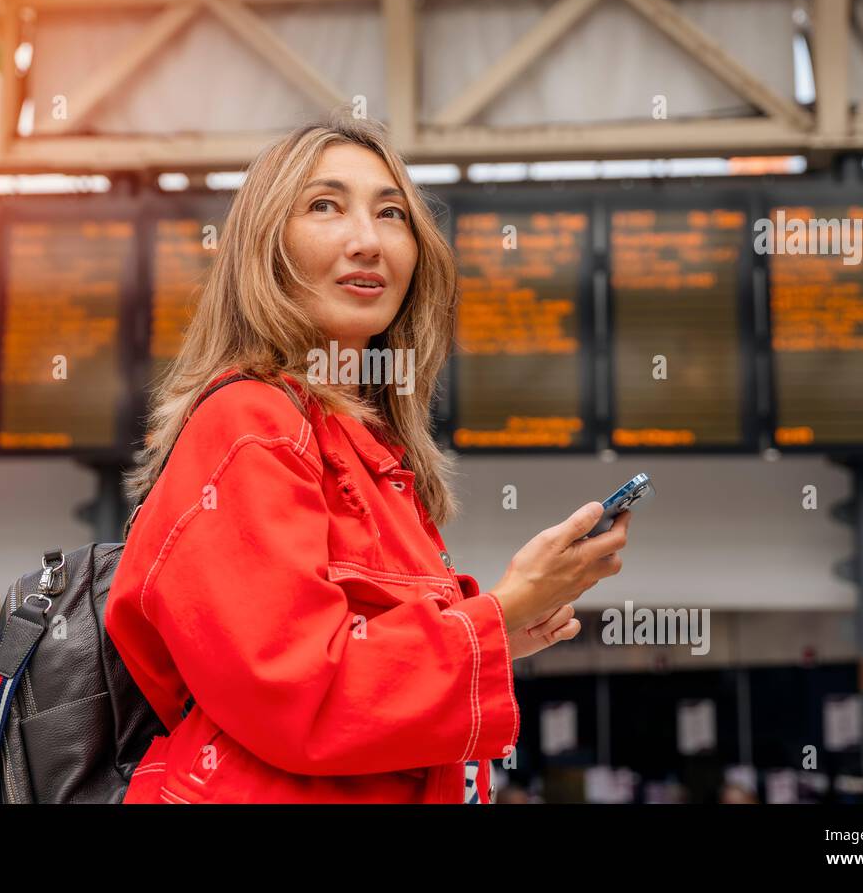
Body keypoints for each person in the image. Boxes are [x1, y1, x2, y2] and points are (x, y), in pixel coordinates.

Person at [103, 107, 630, 803]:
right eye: (325, 206)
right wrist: (495, 616)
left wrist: (507, 630)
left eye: (392, 214)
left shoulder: (371, 451)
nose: (368, 241)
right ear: (265, 247)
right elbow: (301, 695)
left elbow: (360, 669)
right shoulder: (250, 421)